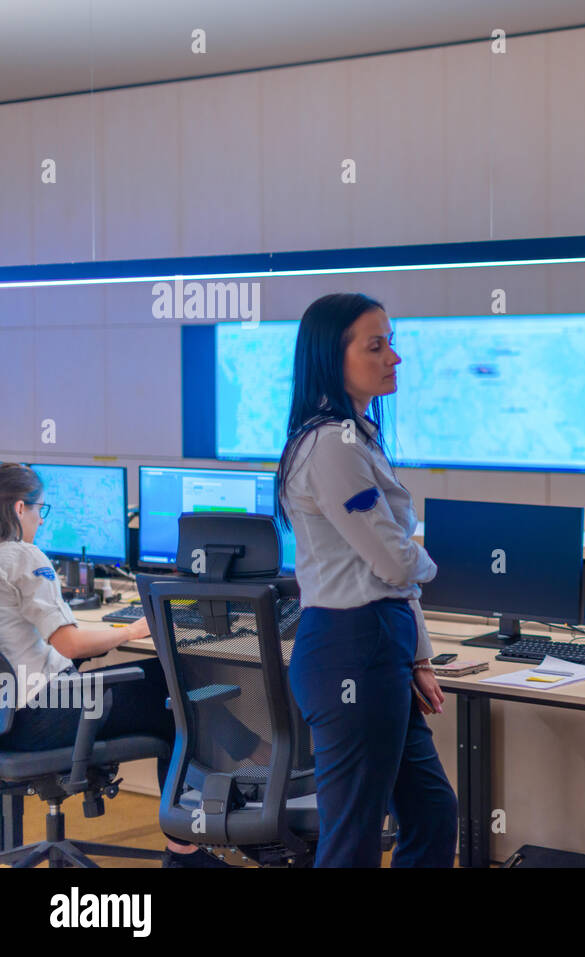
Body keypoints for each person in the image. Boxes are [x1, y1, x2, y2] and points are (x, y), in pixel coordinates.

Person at [276, 292, 457, 868]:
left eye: (392, 342)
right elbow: (397, 564)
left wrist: (419, 654)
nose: (394, 358)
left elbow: (387, 572)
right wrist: (429, 558)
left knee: (431, 812)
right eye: (376, 346)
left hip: (380, 642)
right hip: (350, 649)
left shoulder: (355, 436)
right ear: (334, 357)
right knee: (352, 839)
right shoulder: (331, 446)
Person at [0, 462, 244, 867]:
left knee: (159, 684)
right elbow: (70, 641)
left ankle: (236, 787)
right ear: (20, 508)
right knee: (172, 690)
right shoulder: (23, 557)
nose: (42, 521)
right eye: (41, 510)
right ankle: (188, 843)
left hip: (9, 720)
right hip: (41, 716)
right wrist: (132, 632)